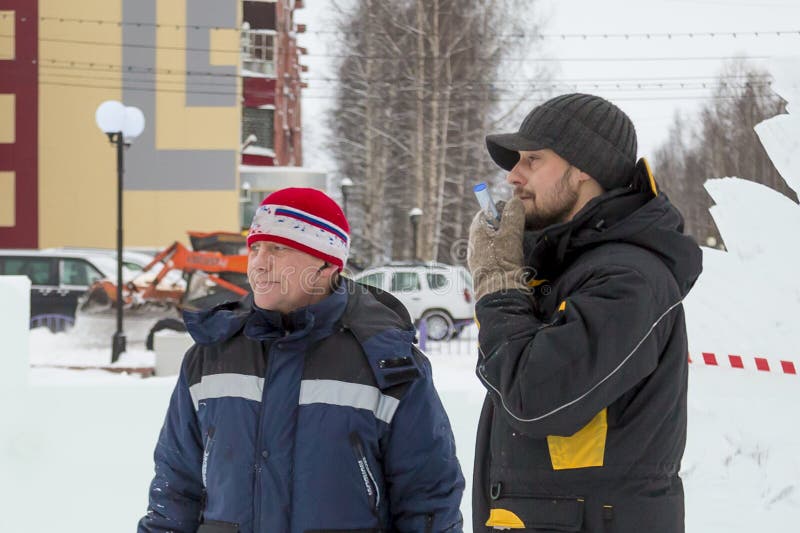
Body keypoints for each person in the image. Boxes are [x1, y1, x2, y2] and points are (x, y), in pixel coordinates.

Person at [139, 188, 464, 533]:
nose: (259, 263)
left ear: (326, 265)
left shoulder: (388, 362)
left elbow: (428, 501)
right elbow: (174, 493)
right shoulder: (210, 355)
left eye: (278, 249)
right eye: (255, 248)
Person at [467, 93, 703, 532]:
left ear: (583, 170)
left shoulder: (630, 279)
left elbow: (532, 400)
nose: (512, 176)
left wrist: (498, 284)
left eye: (532, 159)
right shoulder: (566, 270)